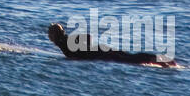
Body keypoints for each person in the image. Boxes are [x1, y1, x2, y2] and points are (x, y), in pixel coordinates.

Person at [47, 23, 175, 67]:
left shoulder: (66, 41)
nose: (49, 36)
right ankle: (162, 60)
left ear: (54, 35)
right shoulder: (63, 42)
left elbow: (87, 37)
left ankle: (162, 60)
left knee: (131, 59)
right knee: (130, 58)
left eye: (50, 34)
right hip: (100, 52)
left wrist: (84, 53)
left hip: (101, 53)